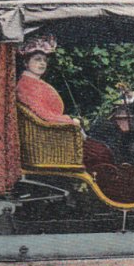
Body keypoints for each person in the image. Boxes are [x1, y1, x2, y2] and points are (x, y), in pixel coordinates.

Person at [16, 35, 113, 168]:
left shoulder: (35, 83)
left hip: (54, 134)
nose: (42, 63)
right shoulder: (26, 86)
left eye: (44, 60)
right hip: (50, 138)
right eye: (37, 60)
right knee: (100, 153)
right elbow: (42, 115)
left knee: (103, 142)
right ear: (26, 63)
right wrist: (71, 121)